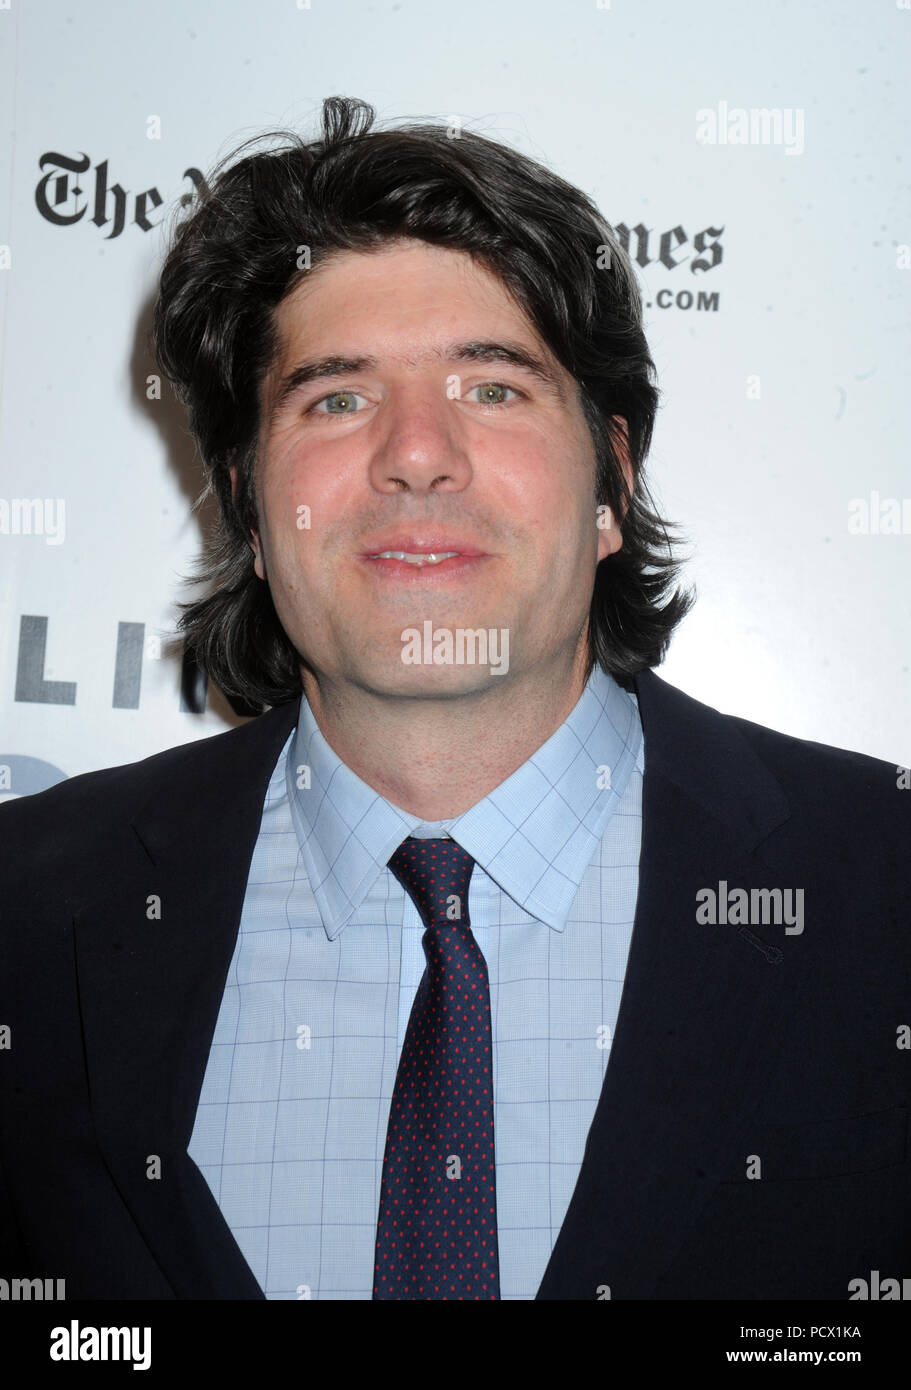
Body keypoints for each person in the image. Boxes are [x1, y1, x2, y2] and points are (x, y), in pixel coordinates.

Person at [1, 95, 908, 1302]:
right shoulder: (26, 908)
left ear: (612, 484)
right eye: (335, 396)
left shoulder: (881, 886)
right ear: (251, 509)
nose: (414, 452)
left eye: (491, 387)